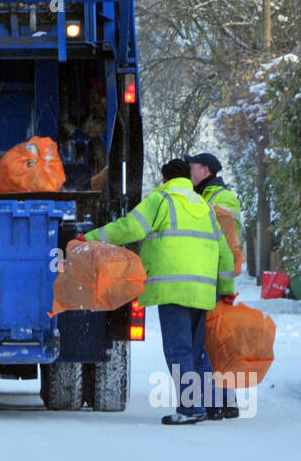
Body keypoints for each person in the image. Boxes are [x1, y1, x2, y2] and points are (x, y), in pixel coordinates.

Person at [82, 158, 236, 425]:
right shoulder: (204, 206)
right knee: (195, 350)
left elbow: (130, 228)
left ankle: (190, 409)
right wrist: (226, 290)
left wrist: (92, 237)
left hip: (173, 288)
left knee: (178, 349)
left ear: (165, 179)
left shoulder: (161, 200)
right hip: (203, 292)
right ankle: (203, 405)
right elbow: (224, 252)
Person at [186, 152, 245, 420]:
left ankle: (216, 402)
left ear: (206, 170)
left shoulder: (221, 198)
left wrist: (225, 286)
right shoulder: (205, 195)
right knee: (215, 340)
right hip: (212, 278)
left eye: (193, 167)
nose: (190, 171)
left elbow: (225, 246)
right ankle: (225, 402)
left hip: (217, 279)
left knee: (212, 342)